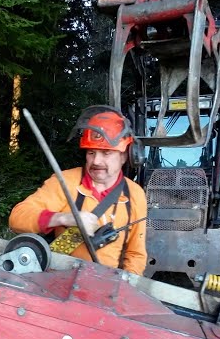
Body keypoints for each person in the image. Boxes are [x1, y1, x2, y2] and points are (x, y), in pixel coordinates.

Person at [9, 105, 148, 274]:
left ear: (125, 155)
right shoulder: (65, 181)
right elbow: (17, 218)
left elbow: (136, 254)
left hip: (105, 286)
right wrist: (63, 218)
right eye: (91, 152)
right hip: (57, 281)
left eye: (106, 153)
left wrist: (123, 290)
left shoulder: (135, 194)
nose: (96, 161)